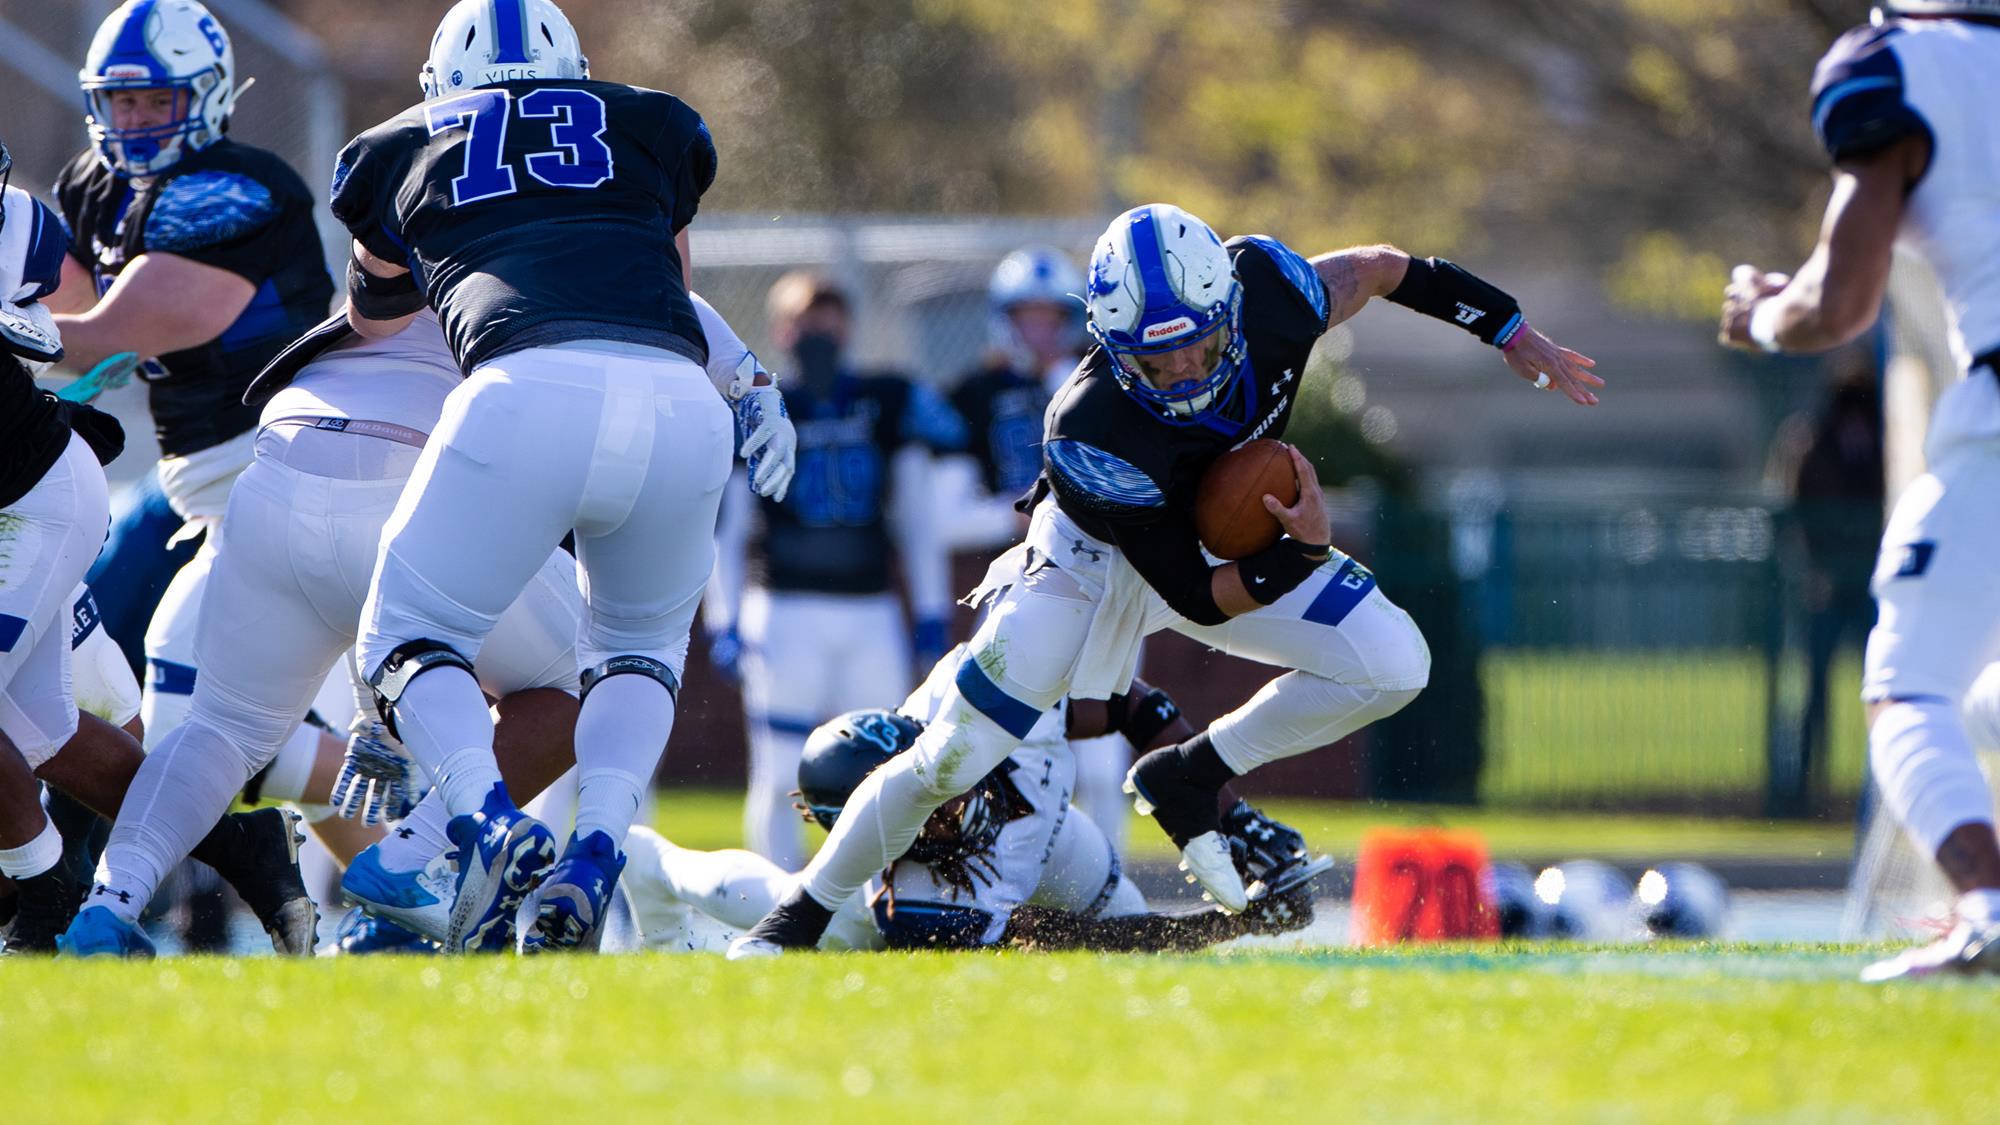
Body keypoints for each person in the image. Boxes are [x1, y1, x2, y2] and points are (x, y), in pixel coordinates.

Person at [730, 203, 1598, 956]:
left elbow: (1381, 270)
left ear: (1230, 307)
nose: (1184, 371)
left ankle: (1190, 771)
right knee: (955, 754)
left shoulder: (1274, 291)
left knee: (1395, 663)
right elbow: (1186, 595)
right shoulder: (1090, 426)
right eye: (1156, 360)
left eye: (1198, 346)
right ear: (1109, 346)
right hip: (1089, 559)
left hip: (1216, 547)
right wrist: (1297, 551)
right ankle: (796, 915)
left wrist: (1507, 327)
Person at [328, 0, 793, 954]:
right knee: (637, 652)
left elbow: (375, 310)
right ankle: (594, 853)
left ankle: (482, 827)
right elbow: (666, 292)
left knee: (405, 635)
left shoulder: (404, 143)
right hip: (680, 407)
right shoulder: (647, 125)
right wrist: (751, 383)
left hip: (525, 388)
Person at [1719, 0, 2000, 980]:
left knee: (1908, 683)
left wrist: (1758, 318)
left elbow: (1837, 302)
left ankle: (1986, 907)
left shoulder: (1896, 64)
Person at [45, 0, 336, 748]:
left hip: (283, 471)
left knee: (197, 717)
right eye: (121, 100)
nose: (136, 120)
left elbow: (100, 338)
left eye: (155, 100)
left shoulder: (230, 188)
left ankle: (431, 828)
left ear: (204, 95)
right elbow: (69, 323)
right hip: (199, 485)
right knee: (184, 717)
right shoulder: (96, 185)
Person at [622, 648, 1323, 953]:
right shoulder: (919, 895)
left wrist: (1226, 812)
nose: (946, 800)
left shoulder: (989, 701)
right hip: (976, 888)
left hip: (1049, 829)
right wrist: (1230, 925)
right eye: (921, 808)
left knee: (1136, 945)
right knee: (825, 933)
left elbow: (1132, 702)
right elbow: (1046, 944)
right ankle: (655, 865)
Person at [705, 272, 964, 867]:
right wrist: (724, 618)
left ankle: (885, 896)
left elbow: (917, 518)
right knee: (777, 773)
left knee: (891, 769)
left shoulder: (887, 399)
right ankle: (776, 902)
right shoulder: (761, 403)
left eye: (830, 317)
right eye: (805, 318)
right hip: (785, 608)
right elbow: (730, 526)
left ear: (849, 326)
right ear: (780, 329)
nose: (819, 330)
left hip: (870, 609)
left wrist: (929, 611)